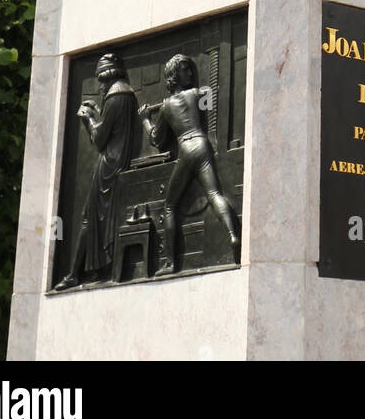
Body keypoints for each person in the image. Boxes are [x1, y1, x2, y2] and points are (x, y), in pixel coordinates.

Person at [139, 54, 240, 272]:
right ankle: (232, 234)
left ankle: (170, 262)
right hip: (202, 145)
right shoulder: (196, 94)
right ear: (174, 75)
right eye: (185, 70)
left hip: (186, 148)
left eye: (190, 69)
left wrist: (146, 118)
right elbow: (208, 99)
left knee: (169, 206)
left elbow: (156, 139)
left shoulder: (166, 107)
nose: (191, 73)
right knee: (215, 194)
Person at [54, 52, 136, 290]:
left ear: (107, 76)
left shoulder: (115, 95)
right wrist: (99, 113)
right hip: (119, 161)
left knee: (88, 219)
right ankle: (85, 270)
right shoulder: (126, 93)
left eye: (101, 80)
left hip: (108, 166)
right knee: (95, 219)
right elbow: (114, 128)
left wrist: (87, 118)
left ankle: (74, 274)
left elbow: (100, 140)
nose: (100, 86)